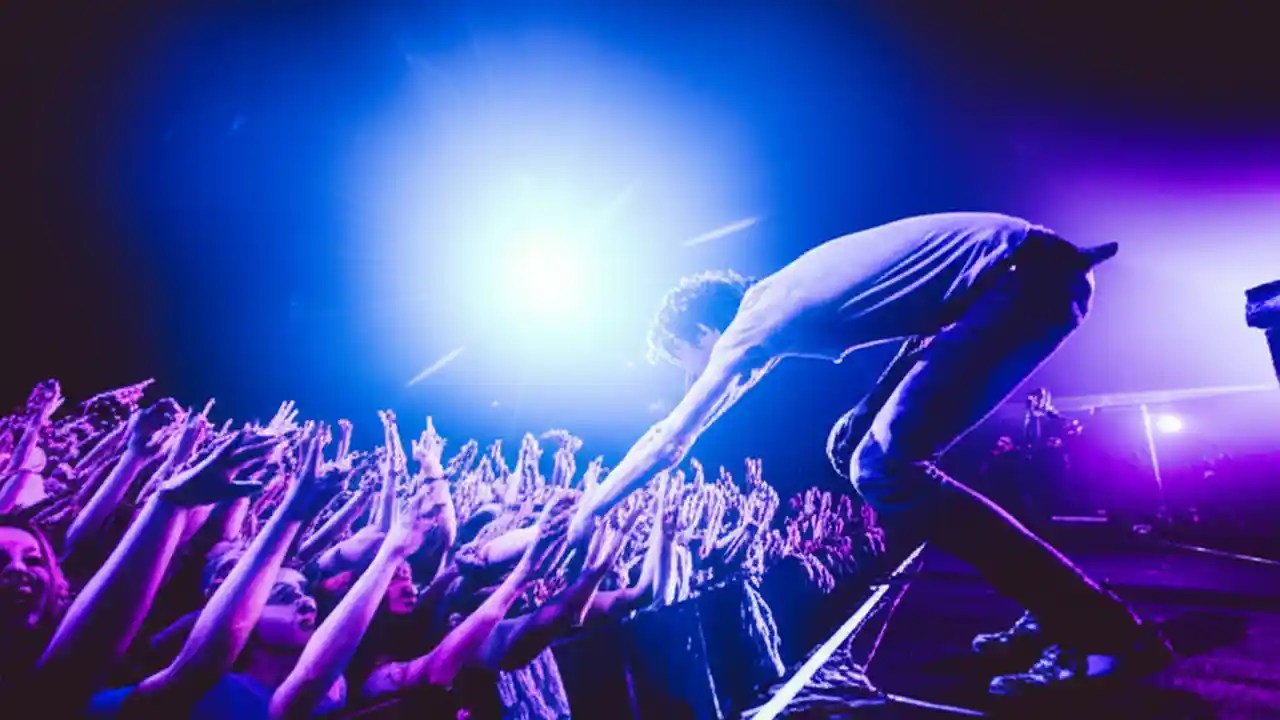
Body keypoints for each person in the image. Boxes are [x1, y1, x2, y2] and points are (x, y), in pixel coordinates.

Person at [568, 212, 1171, 697]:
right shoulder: (780, 297)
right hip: (1006, 282)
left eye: (687, 364)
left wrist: (589, 511)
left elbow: (672, 437)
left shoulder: (754, 322)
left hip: (1024, 280)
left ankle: (1102, 631)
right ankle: (1050, 607)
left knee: (883, 468)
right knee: (850, 444)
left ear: (702, 333)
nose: (694, 379)